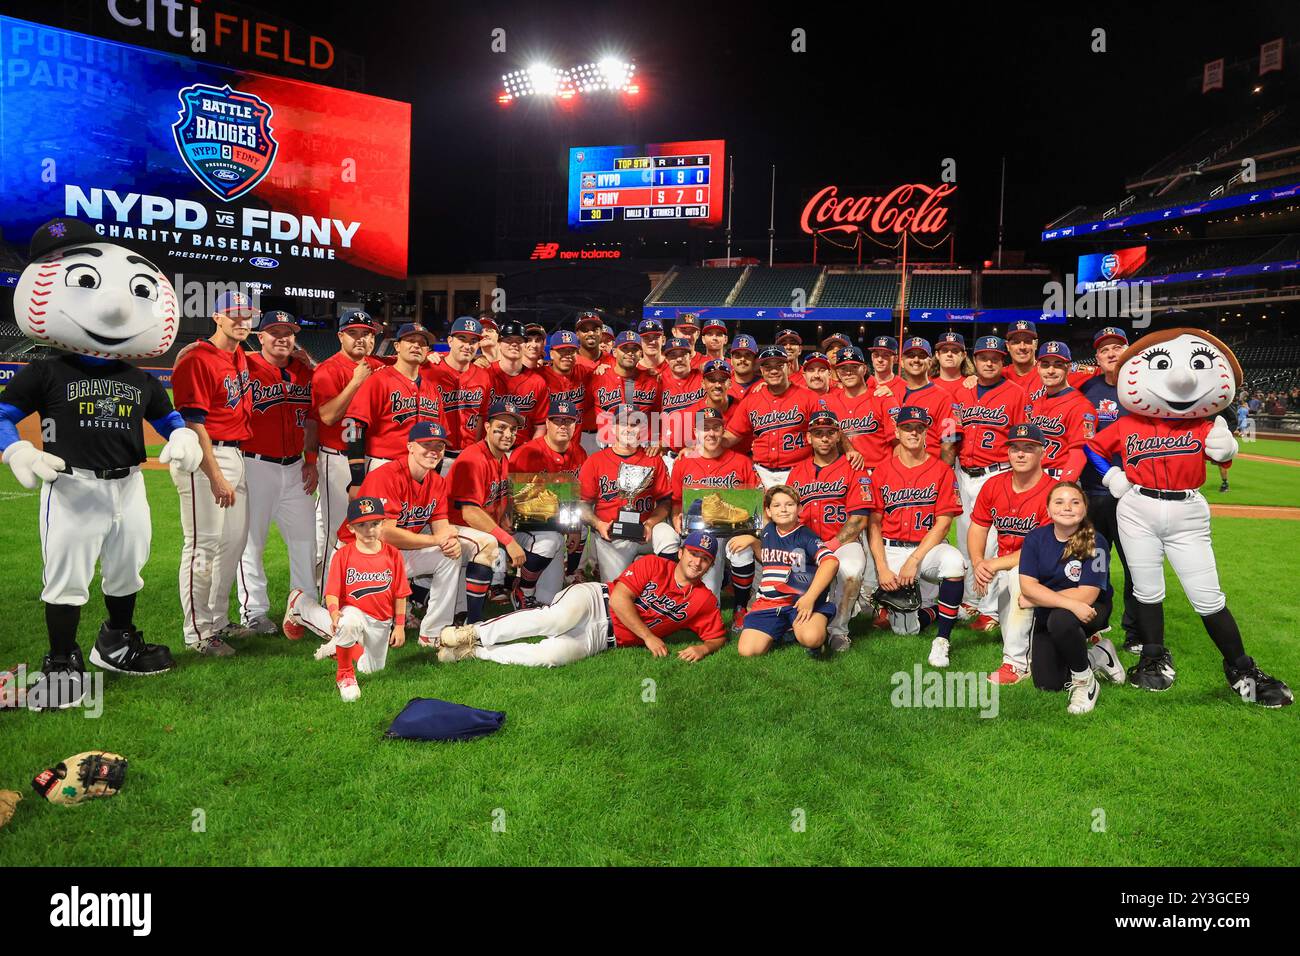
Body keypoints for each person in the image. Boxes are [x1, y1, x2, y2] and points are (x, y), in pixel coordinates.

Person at [1, 218, 200, 706]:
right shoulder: (46, 370)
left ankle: (116, 642)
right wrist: (16, 448)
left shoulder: (140, 377)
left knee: (128, 568)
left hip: (128, 484)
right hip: (73, 486)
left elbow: (169, 418)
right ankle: (61, 658)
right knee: (67, 578)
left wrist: (183, 439)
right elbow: (4, 415)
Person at [1086, 328, 1291, 707]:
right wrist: (1112, 475)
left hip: (1187, 509)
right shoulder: (1129, 423)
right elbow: (1093, 446)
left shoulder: (1203, 423)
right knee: (1147, 590)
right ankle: (1153, 656)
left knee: (1208, 596)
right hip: (1136, 507)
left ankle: (1241, 668)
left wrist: (1225, 446)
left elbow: (1223, 454)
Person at [434, 532, 727, 666]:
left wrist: (703, 648)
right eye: (693, 554)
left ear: (710, 565)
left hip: (604, 638)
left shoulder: (703, 600)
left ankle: (474, 654)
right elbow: (620, 600)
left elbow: (717, 637)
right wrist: (649, 637)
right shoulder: (653, 564)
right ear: (681, 552)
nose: (697, 562)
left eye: (705, 559)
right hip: (596, 600)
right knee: (555, 619)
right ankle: (473, 633)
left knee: (552, 656)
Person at [171, 288, 256, 656]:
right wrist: (215, 476)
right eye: (234, 315)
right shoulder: (196, 358)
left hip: (235, 454)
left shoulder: (239, 356)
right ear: (217, 317)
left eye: (247, 316)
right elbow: (194, 423)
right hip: (204, 457)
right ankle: (198, 633)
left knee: (232, 544)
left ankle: (219, 621)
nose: (242, 321)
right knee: (202, 547)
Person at [236, 310, 318, 635]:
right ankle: (254, 612)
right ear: (261, 336)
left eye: (288, 331)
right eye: (275, 331)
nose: (282, 337)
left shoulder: (305, 372)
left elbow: (312, 419)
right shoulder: (245, 364)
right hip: (255, 464)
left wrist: (310, 459)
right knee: (251, 543)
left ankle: (304, 607)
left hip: (296, 466)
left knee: (304, 541)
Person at [865, 407, 966, 667]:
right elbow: (873, 525)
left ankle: (942, 639)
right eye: (907, 428)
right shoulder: (881, 471)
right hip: (892, 549)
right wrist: (882, 567)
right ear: (897, 432)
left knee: (955, 562)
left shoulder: (941, 470)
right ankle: (941, 609)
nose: (913, 432)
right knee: (906, 629)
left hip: (927, 549)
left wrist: (915, 559)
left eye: (919, 428)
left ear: (925, 433)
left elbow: (944, 523)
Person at [1017, 481, 1122, 714]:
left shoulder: (1096, 540)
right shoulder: (1035, 539)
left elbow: (1088, 594)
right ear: (1048, 509)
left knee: (1061, 619)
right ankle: (1099, 655)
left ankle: (1085, 681)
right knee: (1048, 684)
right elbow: (1027, 587)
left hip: (1092, 610)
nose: (1067, 507)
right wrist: (1051, 600)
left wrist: (1038, 599)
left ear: (1085, 509)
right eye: (1059, 502)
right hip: (1051, 610)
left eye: (1075, 502)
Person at [968, 423, 1056, 684]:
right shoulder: (994, 485)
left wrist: (992, 564)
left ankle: (1015, 665)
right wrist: (978, 562)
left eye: (1028, 449)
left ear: (1042, 452)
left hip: (1048, 566)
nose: (1020, 454)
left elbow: (1039, 550)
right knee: (1013, 622)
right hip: (1008, 561)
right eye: (1015, 448)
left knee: (1019, 582)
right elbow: (978, 527)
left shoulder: (1053, 491)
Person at [952, 336, 1028, 629]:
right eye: (983, 357)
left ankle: (991, 608)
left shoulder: (1015, 393)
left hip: (997, 472)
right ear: (976, 359)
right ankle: (971, 600)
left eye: (995, 357)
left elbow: (1022, 437)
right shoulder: (961, 391)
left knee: (994, 542)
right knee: (965, 539)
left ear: (1002, 360)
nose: (989, 362)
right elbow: (951, 433)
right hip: (962, 471)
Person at [660, 407, 759, 625]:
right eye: (705, 428)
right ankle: (715, 589)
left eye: (716, 428)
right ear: (695, 432)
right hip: (702, 533)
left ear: (723, 430)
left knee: (742, 552)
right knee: (711, 600)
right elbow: (677, 500)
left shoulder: (741, 461)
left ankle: (740, 607)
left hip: (733, 528)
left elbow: (754, 500)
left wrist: (751, 530)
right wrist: (677, 515)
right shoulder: (684, 462)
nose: (711, 433)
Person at [309, 309, 385, 593]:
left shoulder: (379, 365)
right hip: (338, 457)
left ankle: (357, 589)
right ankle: (330, 596)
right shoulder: (328, 370)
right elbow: (327, 416)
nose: (361, 339)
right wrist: (355, 382)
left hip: (370, 458)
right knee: (336, 531)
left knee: (370, 527)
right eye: (353, 333)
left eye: (366, 334)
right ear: (341, 336)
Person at [787, 409, 875, 651]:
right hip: (806, 543)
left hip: (843, 543)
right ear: (809, 438)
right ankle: (799, 624)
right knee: (791, 575)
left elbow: (859, 519)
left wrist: (830, 547)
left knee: (851, 571)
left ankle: (839, 630)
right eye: (818, 433)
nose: (824, 438)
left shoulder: (854, 468)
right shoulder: (797, 471)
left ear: (838, 436)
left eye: (829, 433)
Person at [306, 496, 410, 701]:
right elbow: (332, 591)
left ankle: (341, 646)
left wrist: (399, 626)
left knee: (372, 669)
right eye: (361, 525)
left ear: (382, 525)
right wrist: (335, 612)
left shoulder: (394, 554)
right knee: (348, 623)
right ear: (351, 528)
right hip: (354, 611)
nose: (369, 530)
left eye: (375, 524)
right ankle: (344, 674)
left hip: (381, 620)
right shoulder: (343, 555)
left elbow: (400, 593)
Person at [1078, 327, 1139, 649]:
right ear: (1097, 357)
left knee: (1134, 565)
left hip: (1132, 495)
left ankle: (1136, 632)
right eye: (1105, 350)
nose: (1112, 353)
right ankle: (1097, 622)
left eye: (1118, 347)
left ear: (1129, 351)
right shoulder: (1087, 387)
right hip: (1091, 492)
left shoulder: (1143, 389)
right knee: (1094, 561)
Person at [726, 485, 840, 658]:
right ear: (768, 511)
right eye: (777, 505)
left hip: (798, 602)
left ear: (799, 508)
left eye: (789, 504)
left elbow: (830, 562)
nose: (783, 509)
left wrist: (809, 598)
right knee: (747, 651)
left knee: (812, 638)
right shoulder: (768, 531)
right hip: (768, 603)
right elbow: (767, 558)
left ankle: (802, 631)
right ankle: (786, 629)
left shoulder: (806, 535)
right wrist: (753, 541)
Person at [446, 399, 525, 622]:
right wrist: (507, 541)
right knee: (489, 544)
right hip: (452, 528)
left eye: (513, 429)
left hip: (472, 529)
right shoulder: (473, 458)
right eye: (501, 428)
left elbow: (495, 499)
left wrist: (506, 520)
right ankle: (475, 622)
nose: (508, 434)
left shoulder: (501, 458)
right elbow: (469, 512)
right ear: (487, 428)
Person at [721, 346, 842, 487]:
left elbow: (831, 431)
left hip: (798, 470)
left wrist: (850, 450)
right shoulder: (750, 400)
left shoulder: (809, 397)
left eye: (779, 365)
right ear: (761, 370)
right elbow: (730, 436)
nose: (773, 371)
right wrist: (698, 448)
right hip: (760, 472)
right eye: (768, 367)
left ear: (788, 367)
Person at [578, 405, 674, 581]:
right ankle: (630, 566)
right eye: (623, 424)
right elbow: (583, 504)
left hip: (646, 532)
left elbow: (665, 502)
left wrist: (650, 524)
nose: (628, 429)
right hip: (611, 535)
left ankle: (665, 586)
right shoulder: (595, 461)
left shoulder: (653, 459)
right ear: (613, 428)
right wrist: (599, 525)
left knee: (668, 536)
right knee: (616, 592)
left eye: (634, 424)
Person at [507, 399, 588, 607]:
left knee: (548, 600)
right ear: (547, 423)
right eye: (557, 420)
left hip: (554, 524)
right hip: (523, 526)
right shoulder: (526, 452)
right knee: (549, 541)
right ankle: (523, 589)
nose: (563, 425)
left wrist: (573, 527)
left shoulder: (579, 453)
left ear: (575, 426)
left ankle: (563, 574)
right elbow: (519, 502)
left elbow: (574, 498)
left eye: (568, 421)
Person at [344, 322, 441, 481]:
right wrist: (357, 478)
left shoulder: (432, 390)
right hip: (382, 466)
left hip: (421, 469)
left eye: (422, 343)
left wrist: (433, 475)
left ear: (427, 351)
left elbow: (439, 436)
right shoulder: (378, 380)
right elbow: (354, 426)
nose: (416, 346)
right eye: (410, 341)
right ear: (397, 346)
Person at [427, 316, 492, 476]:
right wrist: (425, 356)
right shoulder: (428, 369)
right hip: (434, 456)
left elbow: (481, 417)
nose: (467, 346)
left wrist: (475, 451)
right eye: (462, 339)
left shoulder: (483, 376)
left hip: (469, 455)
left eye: (473, 341)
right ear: (450, 341)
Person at [1024, 341, 1095, 481]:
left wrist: (1064, 486)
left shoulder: (1082, 406)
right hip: (1031, 477)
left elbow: (1079, 453)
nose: (1050, 371)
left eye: (1058, 365)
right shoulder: (1035, 404)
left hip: (1059, 477)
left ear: (1068, 368)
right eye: (1045, 365)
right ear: (1038, 368)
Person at [884, 337, 961, 464]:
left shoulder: (944, 397)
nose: (916, 360)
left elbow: (949, 444)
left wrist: (942, 474)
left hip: (930, 471)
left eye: (922, 355)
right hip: (898, 472)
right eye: (911, 355)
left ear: (930, 362)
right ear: (902, 362)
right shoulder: (892, 395)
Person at [824, 347, 895, 471]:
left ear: (864, 369)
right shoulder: (828, 402)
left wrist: (893, 473)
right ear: (838, 373)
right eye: (843, 368)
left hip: (879, 471)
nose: (849, 372)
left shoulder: (883, 398)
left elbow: (898, 444)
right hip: (845, 474)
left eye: (854, 367)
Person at [588, 331, 662, 448]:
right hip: (607, 447)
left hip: (643, 447)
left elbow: (657, 414)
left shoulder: (652, 379)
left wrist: (657, 441)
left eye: (634, 349)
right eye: (625, 349)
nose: (630, 353)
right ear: (615, 352)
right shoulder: (597, 376)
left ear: (641, 353)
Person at [486, 320, 548, 439]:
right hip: (489, 448)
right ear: (499, 343)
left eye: (519, 340)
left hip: (523, 447)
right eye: (508, 340)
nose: (514, 344)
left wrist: (528, 451)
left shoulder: (537, 382)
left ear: (525, 345)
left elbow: (540, 426)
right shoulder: (484, 375)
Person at [658, 336, 706, 465]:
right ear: (666, 360)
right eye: (673, 356)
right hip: (670, 454)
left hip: (704, 451)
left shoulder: (705, 377)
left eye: (683, 355)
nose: (679, 359)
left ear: (690, 356)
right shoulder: (659, 382)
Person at [867, 335, 906, 402]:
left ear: (895, 359)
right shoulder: (864, 384)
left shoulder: (904, 387)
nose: (880, 359)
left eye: (886, 355)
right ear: (872, 357)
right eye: (876, 355)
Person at [727, 334, 761, 402]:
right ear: (731, 359)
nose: (742, 359)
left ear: (755, 360)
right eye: (738, 355)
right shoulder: (721, 384)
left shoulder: (765, 384)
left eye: (747, 355)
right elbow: (701, 411)